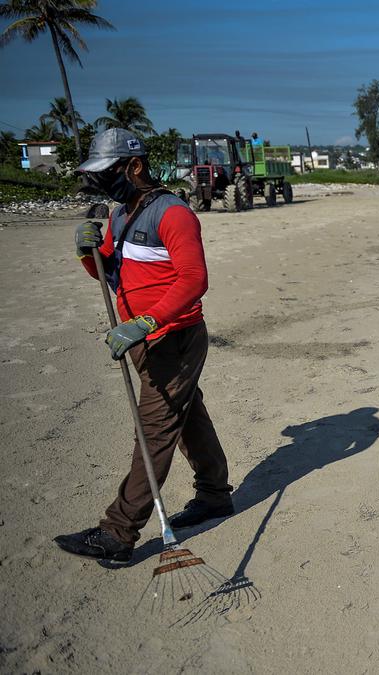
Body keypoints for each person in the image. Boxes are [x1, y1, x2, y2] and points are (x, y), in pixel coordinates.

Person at [54, 128, 233, 562]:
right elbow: (109, 273)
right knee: (185, 415)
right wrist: (87, 252)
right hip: (141, 339)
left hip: (174, 338)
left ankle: (118, 532)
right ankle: (214, 494)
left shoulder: (173, 214)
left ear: (134, 166)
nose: (101, 182)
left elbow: (195, 279)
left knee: (154, 431)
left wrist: (149, 321)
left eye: (107, 172)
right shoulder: (120, 215)